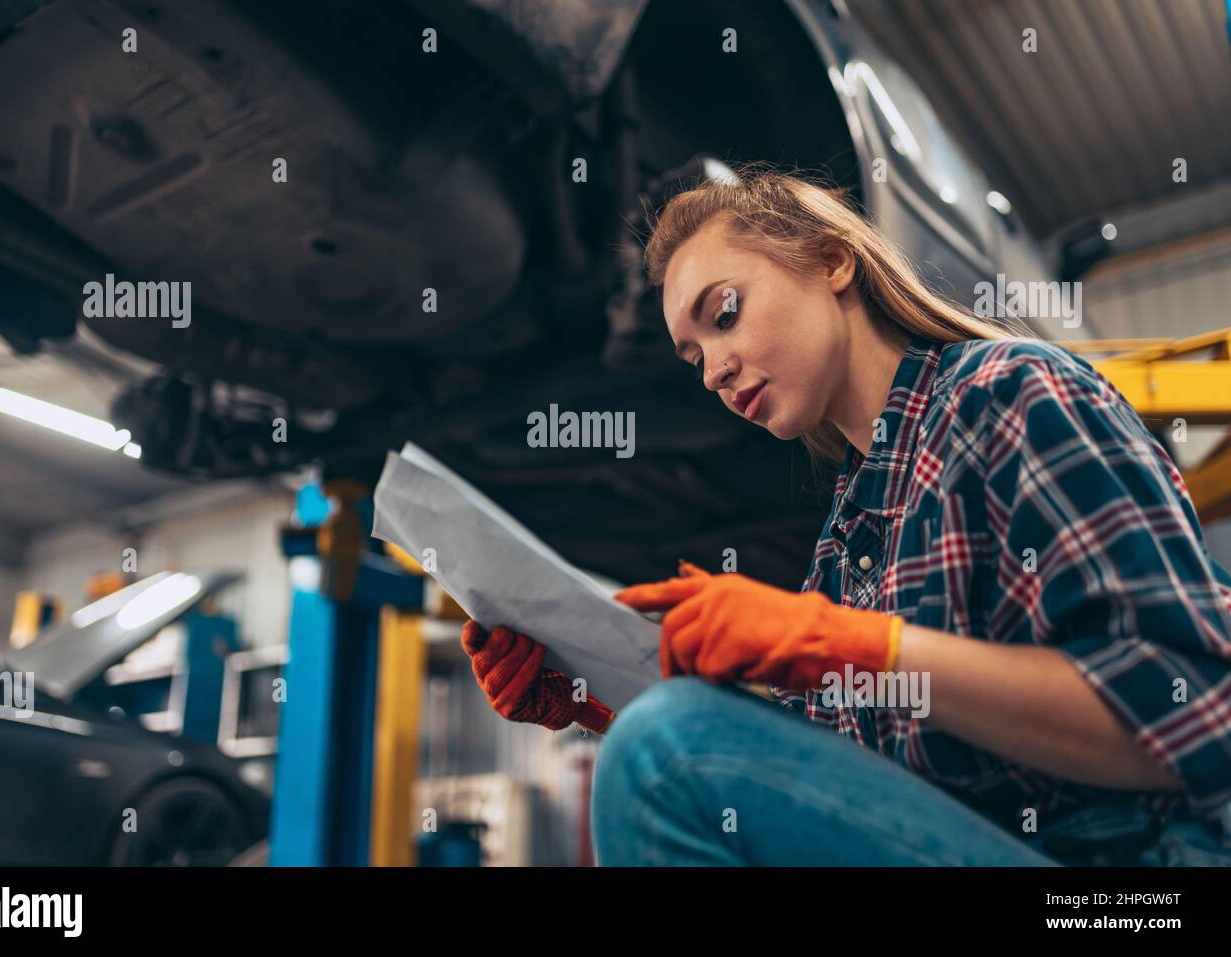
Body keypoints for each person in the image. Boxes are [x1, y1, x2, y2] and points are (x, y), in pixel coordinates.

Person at [460, 165, 1231, 866]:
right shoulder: (848, 541)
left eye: (724, 313)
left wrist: (849, 646)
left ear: (833, 260)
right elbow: (811, 785)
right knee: (654, 741)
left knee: (665, 752)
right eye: (694, 358)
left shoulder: (1014, 395)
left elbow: (1195, 713)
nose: (715, 370)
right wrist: (596, 704)